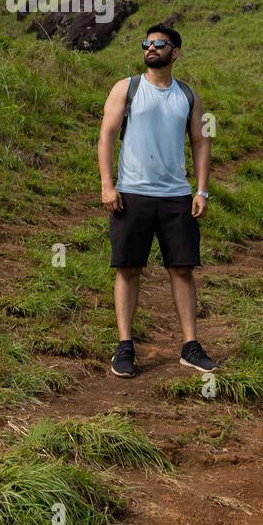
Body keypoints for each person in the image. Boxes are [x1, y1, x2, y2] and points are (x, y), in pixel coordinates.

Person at [98, 23, 218, 378]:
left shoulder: (188, 95)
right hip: (131, 193)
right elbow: (106, 135)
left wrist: (201, 190)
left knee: (181, 269)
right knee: (128, 268)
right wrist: (108, 185)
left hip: (176, 196)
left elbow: (201, 141)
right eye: (147, 44)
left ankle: (190, 347)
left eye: (160, 44)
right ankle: (125, 347)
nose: (151, 48)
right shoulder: (127, 87)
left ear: (175, 52)